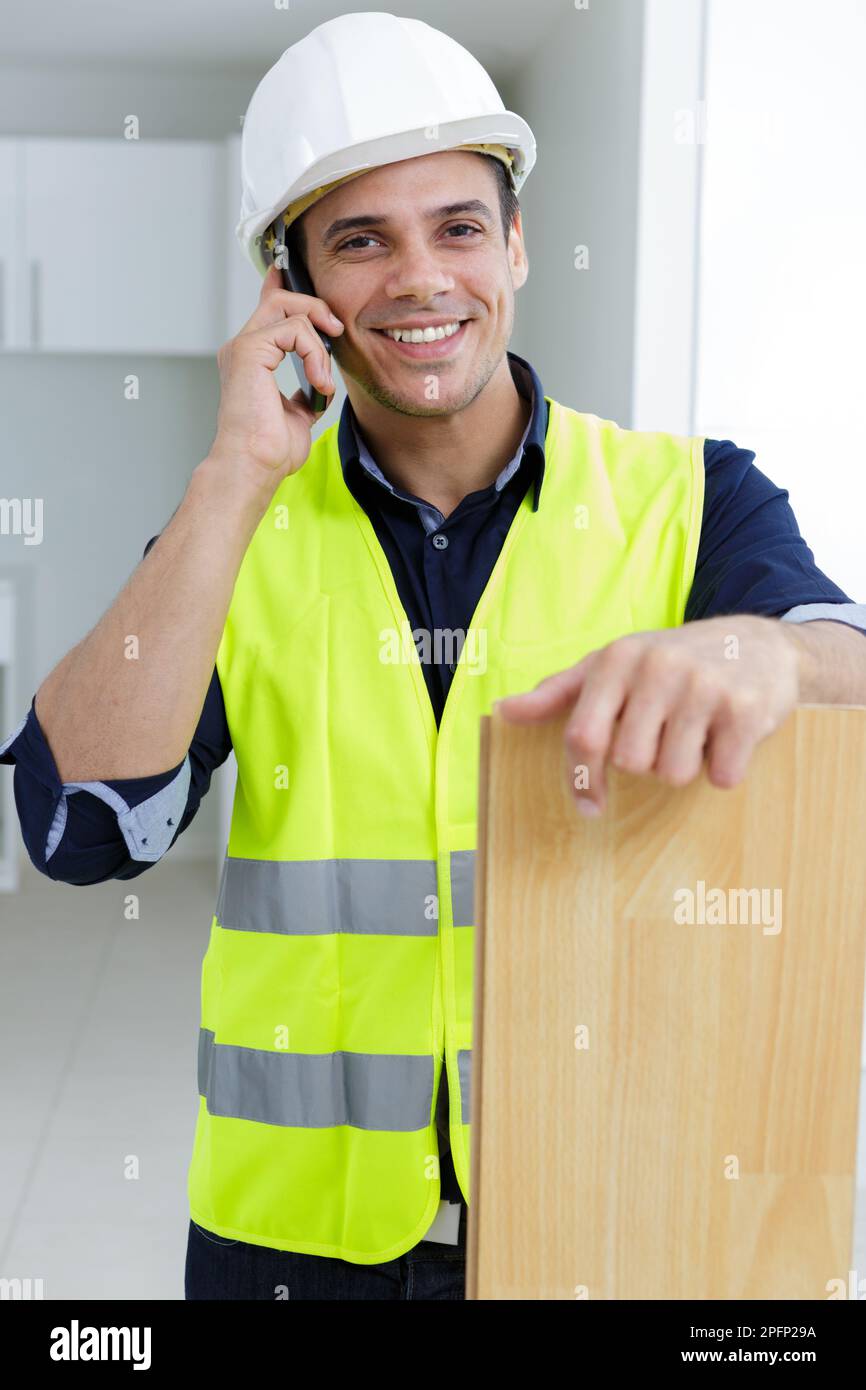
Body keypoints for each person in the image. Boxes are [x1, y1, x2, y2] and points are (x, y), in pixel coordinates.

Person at [3, 12, 866, 1301]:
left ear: (515, 244)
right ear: (294, 292)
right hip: (291, 1251)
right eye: (361, 241)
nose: (420, 279)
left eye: (458, 227)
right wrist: (233, 471)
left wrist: (766, 657)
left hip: (598, 1207)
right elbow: (77, 832)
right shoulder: (237, 535)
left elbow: (839, 664)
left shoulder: (690, 500)